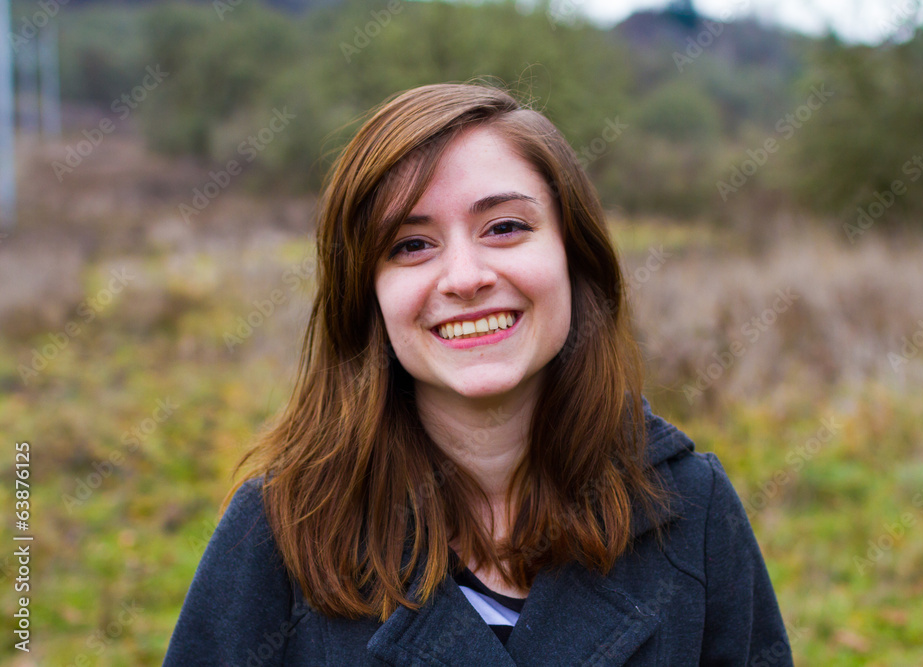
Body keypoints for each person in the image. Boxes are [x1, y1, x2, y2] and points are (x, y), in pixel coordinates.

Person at [164, 83, 793, 666]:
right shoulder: (279, 533)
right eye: (411, 244)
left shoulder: (690, 509)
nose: (465, 278)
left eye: (506, 227)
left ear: (574, 255)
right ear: (367, 295)